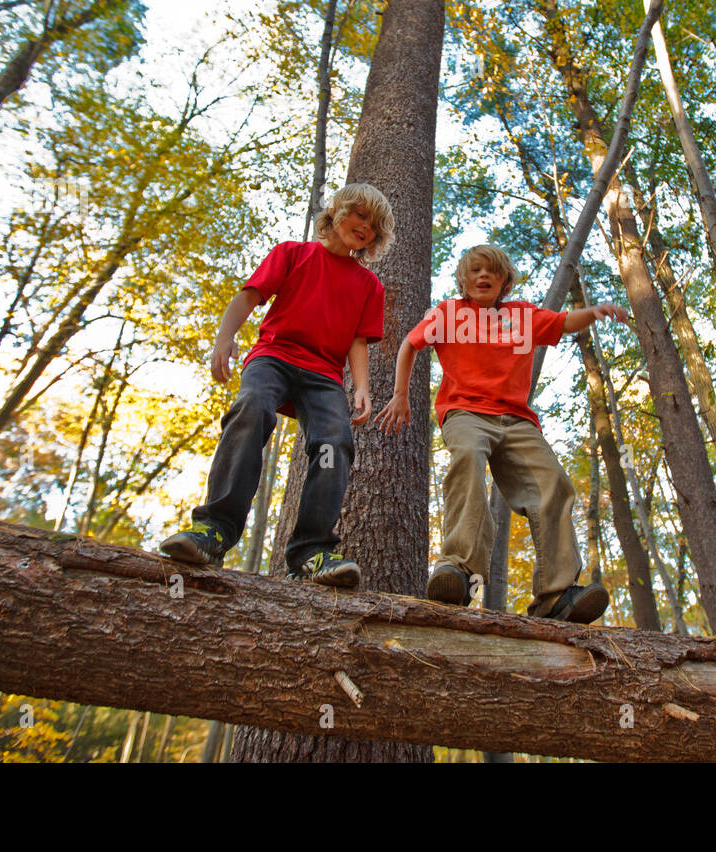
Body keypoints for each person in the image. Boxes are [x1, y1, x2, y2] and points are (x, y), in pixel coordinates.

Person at [375, 243, 626, 622]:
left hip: (517, 419)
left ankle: (556, 596)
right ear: (463, 280)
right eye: (474, 271)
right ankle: (459, 570)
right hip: (465, 413)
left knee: (553, 484)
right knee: (468, 459)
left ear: (504, 281)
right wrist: (400, 395)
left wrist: (591, 313)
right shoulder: (449, 312)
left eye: (491, 271)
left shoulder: (522, 315)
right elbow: (411, 345)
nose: (482, 277)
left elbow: (560, 323)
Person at [159, 184, 394, 587]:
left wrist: (362, 387)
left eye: (374, 226)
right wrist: (224, 338)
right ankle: (213, 532)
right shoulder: (293, 253)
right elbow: (249, 297)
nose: (364, 227)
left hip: (323, 376)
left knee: (332, 444)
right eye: (359, 214)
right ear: (336, 211)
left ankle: (310, 553)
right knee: (252, 411)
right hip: (274, 357)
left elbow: (358, 340)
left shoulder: (369, 286)